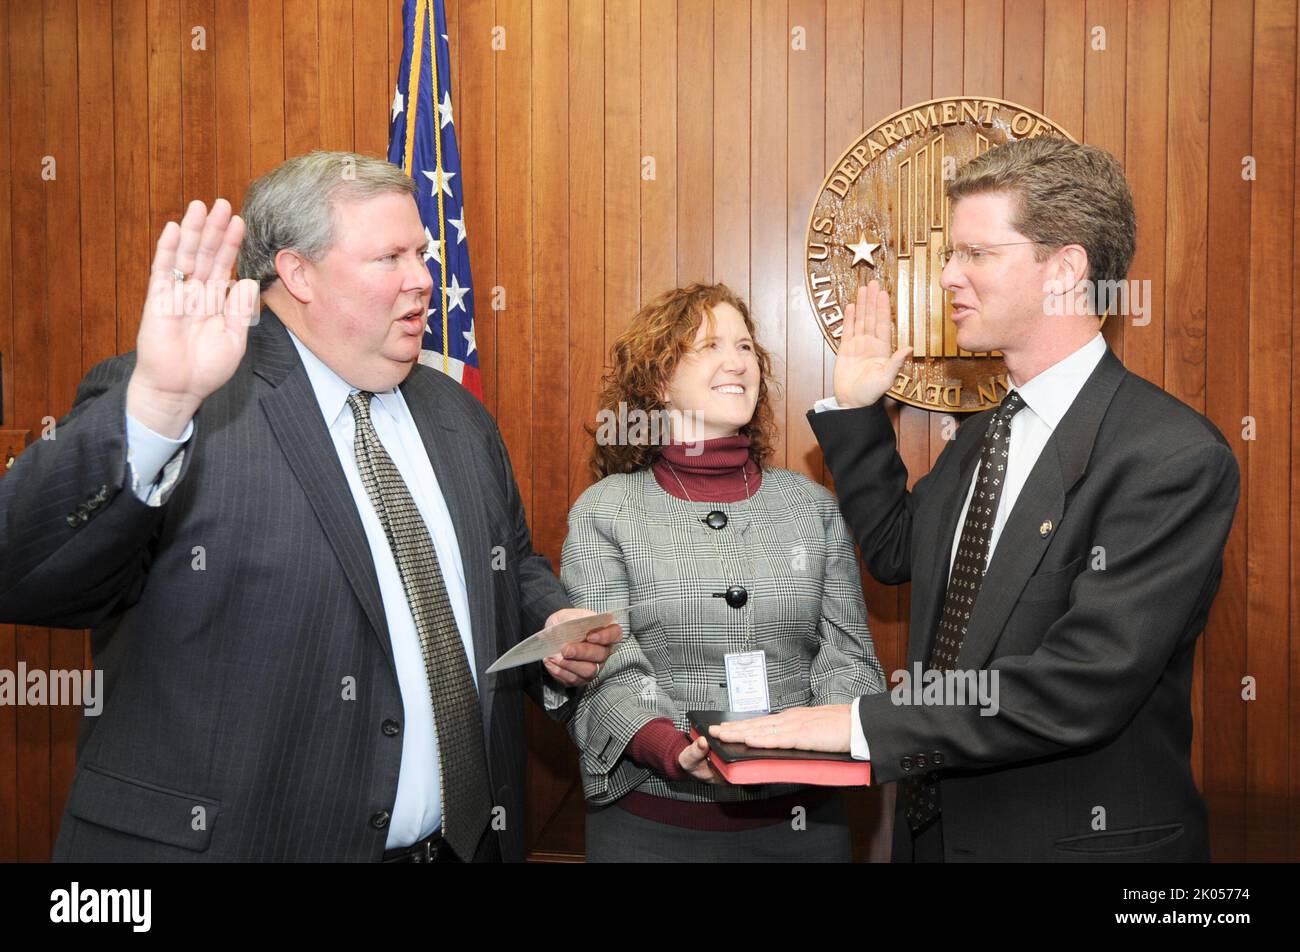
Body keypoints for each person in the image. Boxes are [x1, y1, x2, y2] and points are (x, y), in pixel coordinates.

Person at [0, 150, 620, 862]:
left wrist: (551, 621)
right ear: (297, 274)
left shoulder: (457, 414)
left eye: (421, 252)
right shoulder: (188, 401)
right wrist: (159, 406)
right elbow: (22, 570)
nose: (424, 278)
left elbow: (505, 567)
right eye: (390, 257)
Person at [710, 136, 1240, 862]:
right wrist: (859, 412)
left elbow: (1081, 685)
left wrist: (860, 726)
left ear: (1065, 270)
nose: (948, 273)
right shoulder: (984, 436)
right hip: (933, 835)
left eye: (977, 254)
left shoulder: (1170, 457)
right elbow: (899, 553)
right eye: (952, 253)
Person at [560, 283, 885, 862]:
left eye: (744, 347)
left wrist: (819, 739)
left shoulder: (811, 506)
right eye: (710, 346)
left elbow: (848, 655)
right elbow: (606, 660)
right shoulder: (605, 510)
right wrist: (668, 745)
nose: (737, 361)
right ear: (659, 381)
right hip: (653, 825)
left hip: (802, 824)